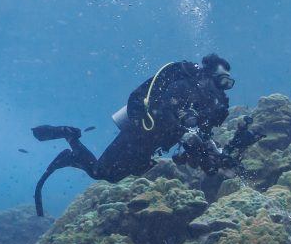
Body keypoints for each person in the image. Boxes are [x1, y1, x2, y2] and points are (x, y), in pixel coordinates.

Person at [31, 54, 241, 214]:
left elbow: (199, 139)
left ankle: (72, 148)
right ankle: (70, 137)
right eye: (222, 81)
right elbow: (164, 110)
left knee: (112, 177)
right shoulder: (183, 86)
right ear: (206, 75)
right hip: (140, 133)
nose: (223, 90)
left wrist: (216, 157)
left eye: (228, 85)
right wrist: (183, 128)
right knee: (100, 172)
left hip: (152, 144)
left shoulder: (206, 104)